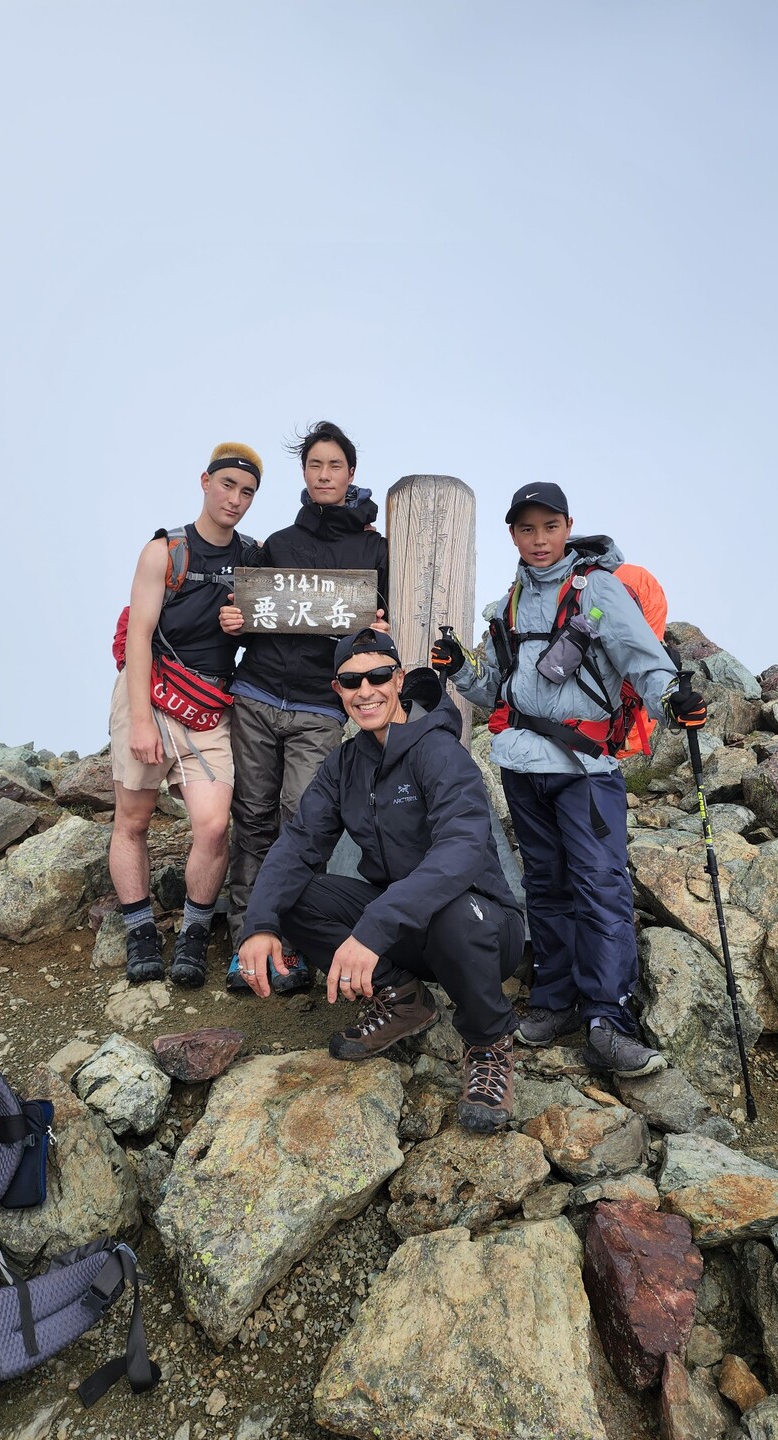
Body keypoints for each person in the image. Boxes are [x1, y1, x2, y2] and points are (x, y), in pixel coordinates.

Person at [432, 483, 707, 1077]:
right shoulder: (507, 604)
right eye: (526, 529)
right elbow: (498, 690)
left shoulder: (599, 589)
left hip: (586, 769)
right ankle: (555, 1000)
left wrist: (672, 699)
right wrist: (460, 670)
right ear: (513, 534)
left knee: (600, 889)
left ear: (567, 526)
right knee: (547, 886)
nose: (538, 540)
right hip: (520, 764)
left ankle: (609, 1018)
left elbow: (644, 659)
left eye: (549, 527)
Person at [236, 629, 526, 1130]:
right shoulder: (344, 764)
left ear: (397, 680)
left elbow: (460, 852)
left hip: (484, 928)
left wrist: (372, 928)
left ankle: (489, 1042)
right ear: (338, 689)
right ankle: (404, 1000)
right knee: (293, 896)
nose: (365, 690)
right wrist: (259, 923)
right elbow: (299, 844)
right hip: (406, 930)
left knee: (456, 910)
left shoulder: (439, 752)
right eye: (351, 681)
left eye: (376, 676)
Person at [221, 420, 389, 993]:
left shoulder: (376, 549)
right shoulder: (278, 545)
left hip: (322, 705)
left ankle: (289, 943)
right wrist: (233, 622)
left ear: (350, 475)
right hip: (258, 693)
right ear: (304, 473)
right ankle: (245, 943)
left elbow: (385, 631)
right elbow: (253, 625)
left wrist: (381, 629)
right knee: (252, 817)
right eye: (315, 465)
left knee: (302, 820)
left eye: (334, 466)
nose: (324, 475)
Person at [109, 442, 262, 988]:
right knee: (133, 821)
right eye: (227, 485)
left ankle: (194, 933)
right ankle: (141, 931)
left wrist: (247, 627)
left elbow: (276, 618)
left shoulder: (253, 556)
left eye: (247, 492)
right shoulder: (164, 552)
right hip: (149, 695)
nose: (235, 499)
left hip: (210, 704)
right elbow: (140, 638)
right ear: (205, 481)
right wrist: (144, 720)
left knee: (214, 825)